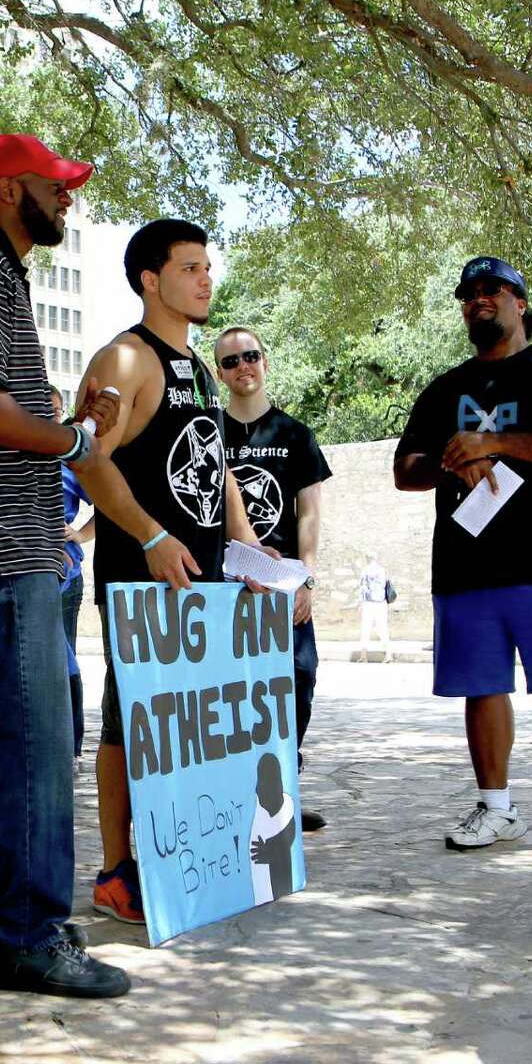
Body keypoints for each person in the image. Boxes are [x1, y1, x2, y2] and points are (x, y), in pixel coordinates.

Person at [0, 133, 128, 998]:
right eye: (56, 185)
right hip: (3, 541)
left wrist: (56, 418)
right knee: (36, 737)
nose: (67, 199)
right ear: (8, 191)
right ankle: (31, 935)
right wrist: (74, 437)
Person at [75, 219, 270, 927]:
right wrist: (152, 535)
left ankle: (180, 857)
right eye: (190, 268)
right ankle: (114, 871)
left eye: (208, 267)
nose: (206, 279)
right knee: (130, 725)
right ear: (149, 280)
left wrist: (248, 551)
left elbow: (209, 468)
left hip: (201, 582)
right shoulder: (126, 360)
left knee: (188, 728)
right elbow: (84, 455)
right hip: (140, 577)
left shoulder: (193, 366)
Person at [393, 255, 532, 853]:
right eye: (468, 294)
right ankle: (496, 807)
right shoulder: (443, 389)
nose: (478, 299)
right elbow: (406, 470)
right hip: (466, 567)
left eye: (493, 289)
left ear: (520, 302)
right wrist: (452, 460)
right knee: (481, 689)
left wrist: (496, 441)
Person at [214, 326, 331, 833]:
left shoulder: (294, 435)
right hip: (224, 585)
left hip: (282, 583)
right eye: (230, 361)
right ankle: (234, 796)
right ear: (219, 373)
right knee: (228, 694)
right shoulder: (207, 432)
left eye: (251, 356)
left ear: (265, 362)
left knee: (297, 678)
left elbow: (309, 514)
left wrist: (305, 577)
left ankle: (283, 786)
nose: (243, 366)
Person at [49, 386, 97, 755]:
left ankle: (72, 743)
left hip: (66, 575)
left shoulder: (71, 459)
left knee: (64, 653)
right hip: (27, 569)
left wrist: (79, 534)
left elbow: (109, 503)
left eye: (55, 411)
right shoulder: (15, 454)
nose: (48, 416)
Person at [358, 554, 391, 654]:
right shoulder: (383, 570)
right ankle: (388, 654)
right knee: (383, 628)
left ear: (367, 559)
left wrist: (360, 604)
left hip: (368, 603)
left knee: (365, 628)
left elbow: (363, 588)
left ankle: (364, 655)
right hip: (381, 603)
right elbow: (386, 586)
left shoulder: (365, 570)